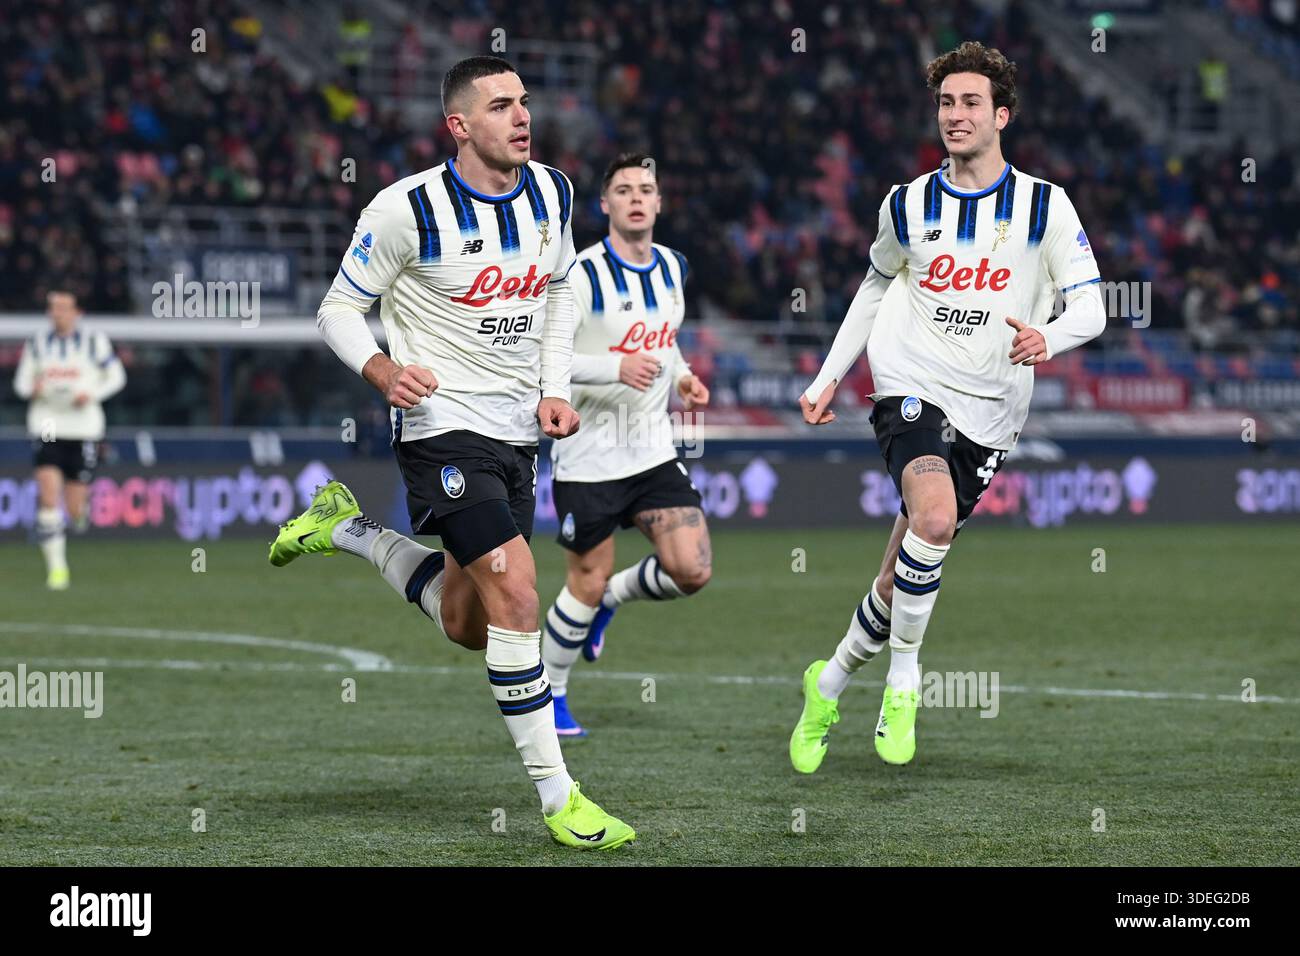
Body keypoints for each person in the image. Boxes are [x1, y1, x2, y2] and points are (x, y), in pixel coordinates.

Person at [268, 56, 634, 850]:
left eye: (525, 102)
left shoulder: (554, 192)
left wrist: (553, 386)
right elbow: (337, 308)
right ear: (459, 126)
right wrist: (381, 369)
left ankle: (348, 529)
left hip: (516, 435)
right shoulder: (405, 209)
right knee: (517, 593)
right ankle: (559, 797)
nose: (522, 117)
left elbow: (560, 289)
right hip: (440, 428)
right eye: (501, 106)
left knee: (471, 622)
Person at [789, 41, 1106, 772]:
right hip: (911, 382)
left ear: (1002, 115)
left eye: (969, 103)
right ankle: (905, 682)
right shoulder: (905, 204)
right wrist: (830, 376)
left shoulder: (1043, 207)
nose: (954, 115)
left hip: (994, 407)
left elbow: (1090, 308)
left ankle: (829, 679)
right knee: (931, 518)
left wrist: (1047, 338)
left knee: (901, 568)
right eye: (945, 102)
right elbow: (875, 288)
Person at [541, 153, 712, 737]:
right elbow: (549, 358)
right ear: (606, 205)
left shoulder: (672, 267)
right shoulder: (580, 274)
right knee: (581, 583)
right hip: (589, 460)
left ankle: (613, 598)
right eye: (623, 190)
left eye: (646, 189)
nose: (637, 198)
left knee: (692, 570)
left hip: (652, 453)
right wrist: (616, 368)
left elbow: (667, 343)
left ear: (660, 203)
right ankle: (553, 695)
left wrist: (683, 375)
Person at [13, 289, 126, 590]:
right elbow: (22, 383)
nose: (57, 313)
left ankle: (79, 514)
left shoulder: (93, 342)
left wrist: (92, 394)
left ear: (77, 312)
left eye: (64, 307)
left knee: (75, 507)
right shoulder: (37, 343)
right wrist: (32, 389)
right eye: (53, 307)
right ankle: (57, 568)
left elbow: (117, 377)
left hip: (84, 427)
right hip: (48, 422)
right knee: (48, 492)